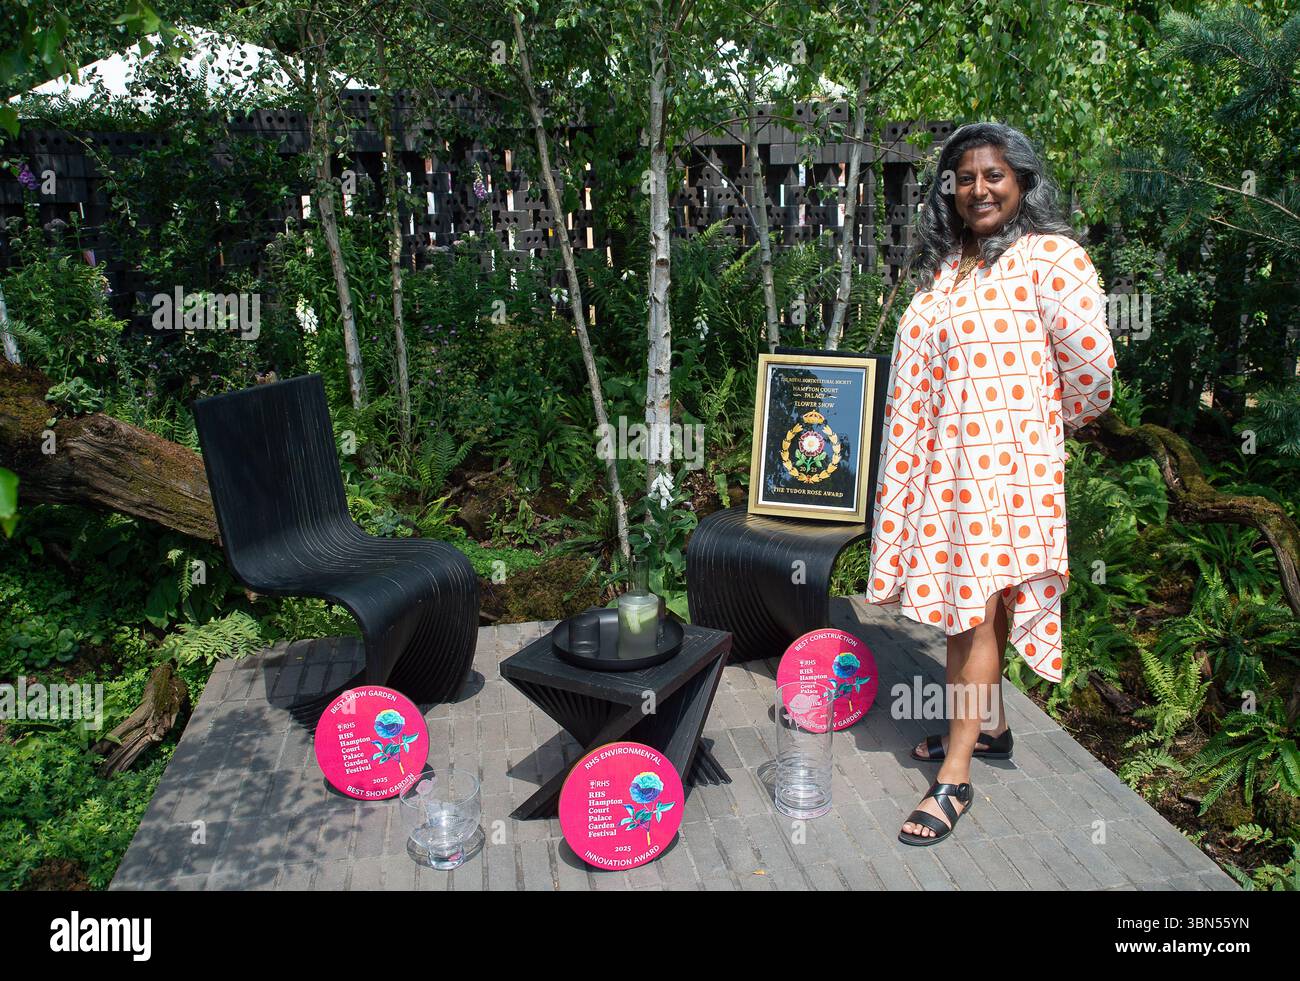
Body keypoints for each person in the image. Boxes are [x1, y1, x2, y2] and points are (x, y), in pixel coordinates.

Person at [863, 121, 1116, 845]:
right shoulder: (953, 267)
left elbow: (1092, 374)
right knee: (982, 602)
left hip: (1004, 467)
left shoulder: (1051, 258)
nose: (978, 188)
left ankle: (956, 774)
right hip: (946, 468)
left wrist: (1037, 428)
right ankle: (993, 727)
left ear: (1024, 181)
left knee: (966, 614)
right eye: (965, 177)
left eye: (994, 175)